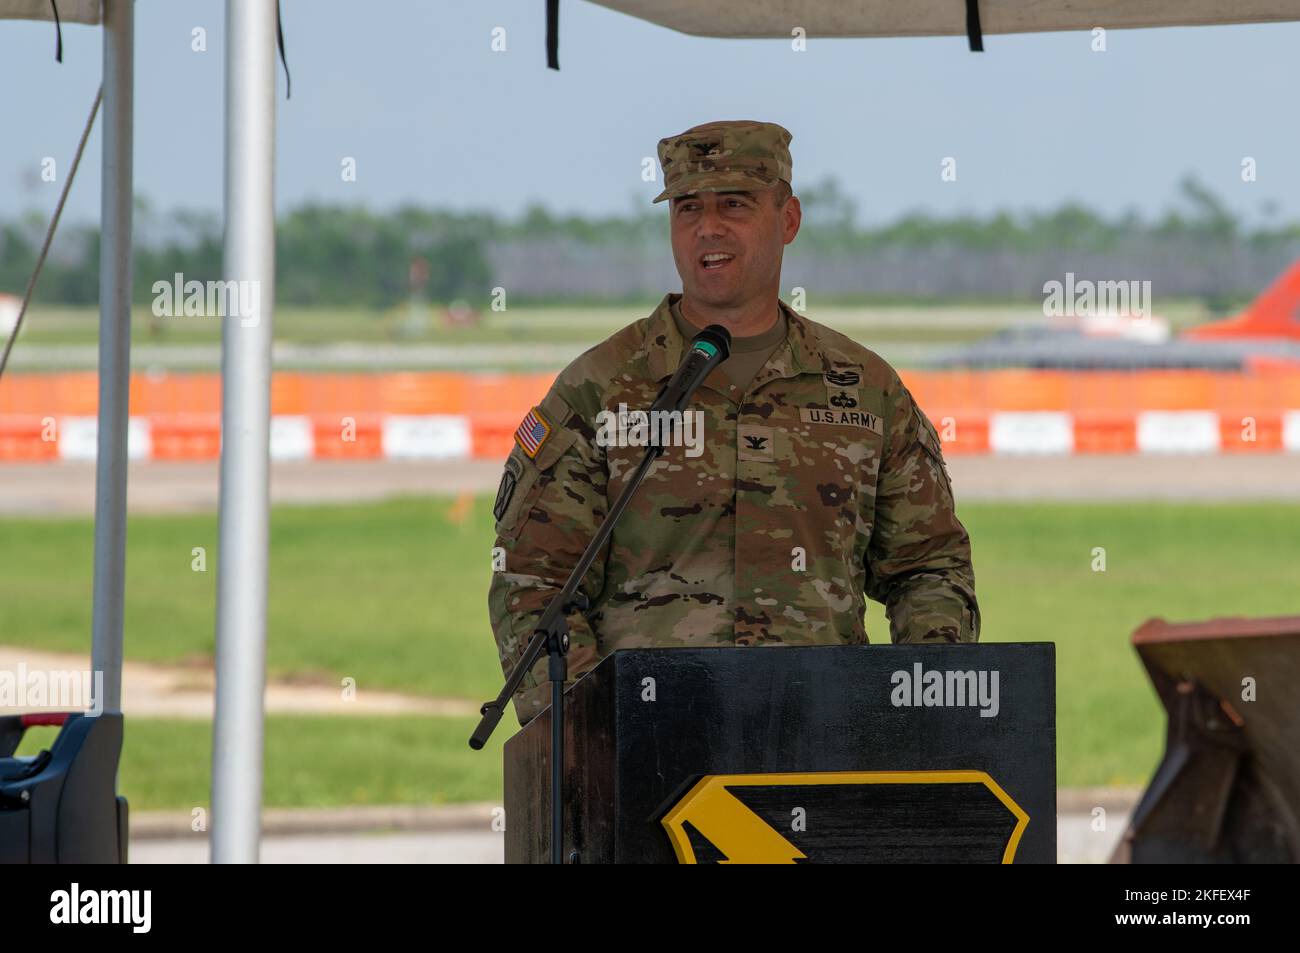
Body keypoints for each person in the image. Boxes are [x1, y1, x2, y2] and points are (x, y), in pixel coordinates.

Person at [488, 119, 979, 725]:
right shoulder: (601, 388)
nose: (708, 227)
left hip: (824, 744)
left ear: (789, 219)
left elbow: (929, 566)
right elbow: (532, 583)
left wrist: (920, 712)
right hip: (650, 754)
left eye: (735, 205)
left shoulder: (867, 392)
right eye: (687, 208)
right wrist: (595, 737)